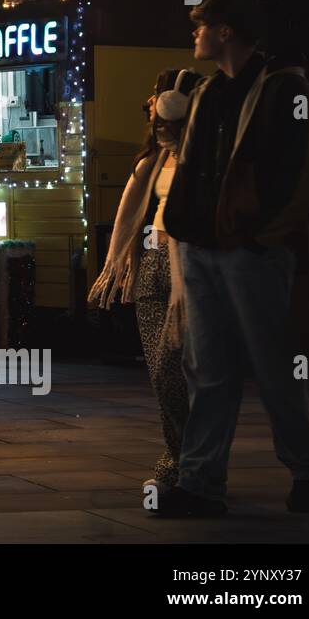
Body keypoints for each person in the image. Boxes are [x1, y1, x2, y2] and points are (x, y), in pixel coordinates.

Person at [159, 0, 309, 517]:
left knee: (273, 368)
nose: (195, 36)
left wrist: (262, 235)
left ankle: (307, 474)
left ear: (226, 32)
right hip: (206, 247)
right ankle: (201, 483)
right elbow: (190, 165)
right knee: (206, 368)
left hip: (248, 251)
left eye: (201, 27)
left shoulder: (286, 91)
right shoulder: (211, 92)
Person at [89, 68, 199, 491]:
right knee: (161, 372)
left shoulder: (202, 153)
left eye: (159, 97)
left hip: (191, 267)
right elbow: (133, 219)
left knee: (184, 371)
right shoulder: (152, 158)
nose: (151, 105)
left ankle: (193, 462)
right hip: (153, 266)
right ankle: (178, 457)